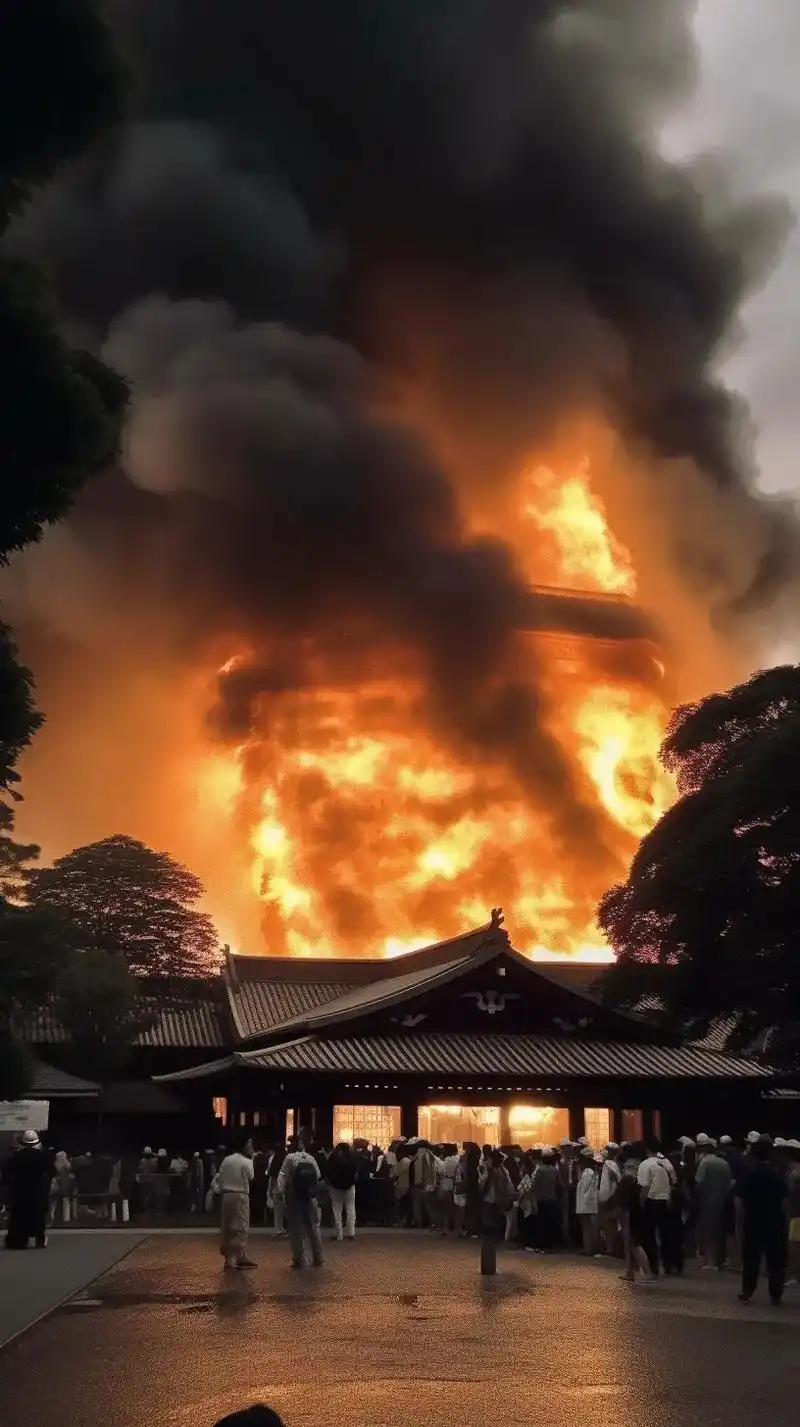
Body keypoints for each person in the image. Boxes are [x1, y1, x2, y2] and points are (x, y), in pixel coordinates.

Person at [736, 1136, 788, 1305]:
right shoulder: (777, 1176)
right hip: (774, 1224)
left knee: (751, 1259)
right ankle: (776, 1293)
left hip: (753, 1223)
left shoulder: (749, 1175)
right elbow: (784, 1202)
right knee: (775, 1262)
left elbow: (740, 1200)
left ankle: (747, 1290)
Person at [278, 1126, 325, 1269]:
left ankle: (299, 1259)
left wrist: (281, 1194)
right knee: (313, 1227)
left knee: (296, 1229)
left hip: (294, 1197)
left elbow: (282, 1178)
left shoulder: (289, 1158)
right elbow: (317, 1176)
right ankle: (318, 1257)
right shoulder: (310, 1158)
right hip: (310, 1197)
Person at [3, 1129, 53, 1249]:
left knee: (20, 1217)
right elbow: (51, 1172)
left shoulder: (16, 1157)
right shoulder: (43, 1156)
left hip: (21, 1192)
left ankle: (19, 1240)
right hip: (38, 1191)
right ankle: (40, 1240)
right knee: (38, 1216)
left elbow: (8, 1175)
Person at [214, 1134, 257, 1271]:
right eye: (249, 1145)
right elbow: (251, 1176)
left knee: (227, 1227)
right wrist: (251, 1160)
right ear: (244, 1145)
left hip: (226, 1196)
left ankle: (230, 1258)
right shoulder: (247, 1161)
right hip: (241, 1195)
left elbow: (219, 1178)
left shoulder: (227, 1160)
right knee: (240, 1227)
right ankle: (236, 1258)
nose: (251, 1148)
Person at [636, 1143, 674, 1276]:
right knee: (666, 1234)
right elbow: (673, 1182)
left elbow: (644, 1187)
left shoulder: (645, 1164)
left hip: (651, 1201)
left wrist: (640, 1203)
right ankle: (669, 1264)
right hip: (665, 1201)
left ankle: (653, 1266)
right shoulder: (666, 1162)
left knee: (649, 1235)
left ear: (646, 1150)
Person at [695, 1139, 733, 1270]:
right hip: (723, 1201)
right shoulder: (724, 1163)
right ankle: (720, 1260)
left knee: (709, 1231)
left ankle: (710, 1262)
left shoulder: (704, 1162)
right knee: (720, 1232)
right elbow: (729, 1184)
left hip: (707, 1201)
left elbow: (698, 1183)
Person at [325, 1140, 358, 1241]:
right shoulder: (352, 1158)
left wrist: (330, 1183)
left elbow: (327, 1172)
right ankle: (351, 1232)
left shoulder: (333, 1158)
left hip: (335, 1188)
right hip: (350, 1187)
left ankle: (339, 1234)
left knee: (337, 1210)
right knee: (351, 1209)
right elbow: (356, 1173)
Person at [576, 1150, 600, 1256]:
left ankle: (589, 1249)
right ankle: (589, 1248)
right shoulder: (592, 1172)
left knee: (587, 1227)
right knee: (589, 1227)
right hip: (589, 1203)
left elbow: (584, 1188)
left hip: (585, 1203)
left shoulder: (587, 1172)